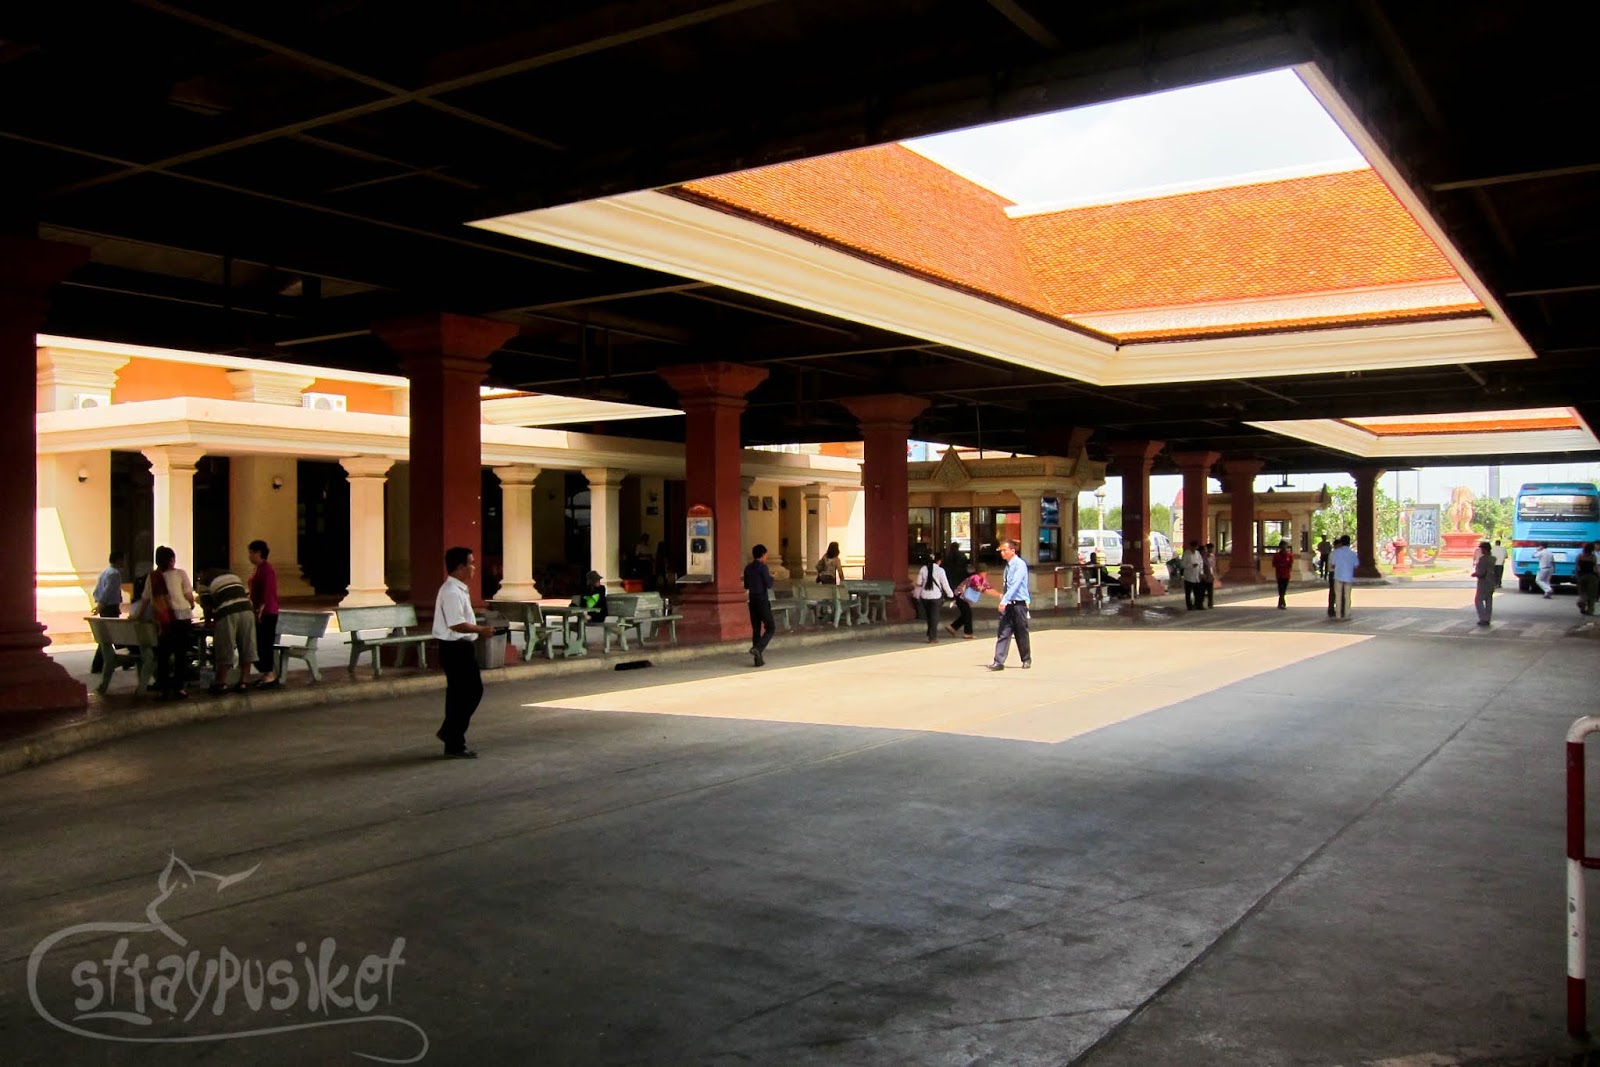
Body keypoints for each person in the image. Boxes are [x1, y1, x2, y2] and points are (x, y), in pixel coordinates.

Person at [433, 546, 494, 758]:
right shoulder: (450, 592)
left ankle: (452, 737)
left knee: (461, 694)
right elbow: (456, 624)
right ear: (460, 567)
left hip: (461, 647)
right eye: (471, 563)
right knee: (469, 693)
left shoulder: (459, 589)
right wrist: (481, 630)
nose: (474, 568)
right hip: (454, 647)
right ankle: (452, 736)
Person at [138, 545, 196, 700]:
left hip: (164, 620)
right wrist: (192, 605)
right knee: (181, 654)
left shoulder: (152, 577)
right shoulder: (180, 574)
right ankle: (179, 687)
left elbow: (145, 599)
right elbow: (188, 595)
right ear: (172, 560)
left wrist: (137, 615)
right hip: (182, 617)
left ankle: (163, 688)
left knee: (164, 654)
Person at [204, 569, 256, 693]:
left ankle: (221, 682)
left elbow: (207, 608)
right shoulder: (235, 578)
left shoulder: (205, 585)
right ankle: (244, 681)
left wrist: (208, 622)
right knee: (246, 645)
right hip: (247, 611)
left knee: (225, 646)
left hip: (227, 613)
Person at [987, 538, 1031, 671]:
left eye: (1004, 550)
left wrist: (1004, 600)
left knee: (1021, 632)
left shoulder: (1019, 565)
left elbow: (1015, 585)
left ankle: (1026, 659)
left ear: (1012, 551)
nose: (1002, 553)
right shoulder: (1007, 566)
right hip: (1008, 605)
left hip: (1018, 604)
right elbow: (1006, 586)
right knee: (1003, 632)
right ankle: (998, 661)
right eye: (1001, 551)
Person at [247, 539, 280, 688]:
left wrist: (260, 610)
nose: (249, 556)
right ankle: (265, 673)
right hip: (259, 611)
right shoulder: (258, 569)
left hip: (267, 612)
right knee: (259, 643)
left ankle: (269, 674)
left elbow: (267, 591)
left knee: (265, 643)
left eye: (251, 553)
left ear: (258, 553)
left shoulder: (266, 569)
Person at [88, 550, 126, 675]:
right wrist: (101, 604)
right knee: (110, 635)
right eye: (122, 559)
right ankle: (99, 664)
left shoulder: (105, 572)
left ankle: (122, 661)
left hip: (106, 606)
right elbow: (108, 591)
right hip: (110, 606)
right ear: (118, 560)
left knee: (110, 634)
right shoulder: (115, 574)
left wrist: (99, 603)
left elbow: (97, 590)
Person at [744, 544, 775, 666]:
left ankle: (758, 659)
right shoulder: (763, 567)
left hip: (752, 600)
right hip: (762, 599)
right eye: (766, 555)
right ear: (762, 555)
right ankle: (758, 648)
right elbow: (768, 584)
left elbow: (746, 585)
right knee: (771, 627)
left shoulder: (748, 568)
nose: (766, 557)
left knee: (756, 628)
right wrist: (772, 577)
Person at [914, 552, 956, 643]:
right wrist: (951, 595)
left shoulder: (923, 569)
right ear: (939, 561)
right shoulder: (940, 571)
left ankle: (930, 634)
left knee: (929, 616)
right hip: (936, 596)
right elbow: (945, 585)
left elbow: (918, 582)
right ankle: (932, 637)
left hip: (924, 596)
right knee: (934, 617)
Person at [948, 562, 994, 639]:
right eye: (985, 572)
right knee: (968, 614)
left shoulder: (982, 579)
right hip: (961, 597)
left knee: (966, 614)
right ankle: (967, 633)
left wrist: (997, 593)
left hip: (964, 598)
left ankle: (952, 627)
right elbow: (978, 586)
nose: (986, 573)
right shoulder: (974, 577)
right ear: (981, 572)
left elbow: (988, 586)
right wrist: (984, 589)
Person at [1330, 534, 1359, 619]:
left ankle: (1338, 614)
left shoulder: (1336, 552)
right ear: (1349, 543)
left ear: (1341, 542)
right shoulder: (1353, 554)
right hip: (1348, 576)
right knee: (1347, 596)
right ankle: (1347, 614)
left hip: (1338, 575)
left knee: (1338, 596)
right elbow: (1356, 565)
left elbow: (1332, 564)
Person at [1472, 539, 1497, 626]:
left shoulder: (1483, 559)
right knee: (1489, 600)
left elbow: (1481, 573)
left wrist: (1475, 574)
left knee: (1478, 600)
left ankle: (1483, 618)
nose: (1481, 550)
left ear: (1485, 549)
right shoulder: (1493, 559)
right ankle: (1488, 618)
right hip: (1491, 581)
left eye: (1482, 549)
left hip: (1483, 582)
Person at [1576, 543, 1599, 616]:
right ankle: (1590, 610)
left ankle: (1581, 604)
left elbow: (1577, 567)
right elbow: (1595, 568)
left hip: (1581, 576)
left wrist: (1577, 576)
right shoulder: (1593, 557)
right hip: (1592, 577)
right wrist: (1598, 575)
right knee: (1591, 594)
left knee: (1582, 592)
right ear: (1592, 549)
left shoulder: (1579, 556)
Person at [1271, 542, 1295, 610]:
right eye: (1282, 547)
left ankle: (1280, 602)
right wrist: (1280, 565)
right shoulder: (1276, 556)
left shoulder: (1289, 556)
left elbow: (1290, 565)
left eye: (1285, 547)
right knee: (1280, 588)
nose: (1284, 548)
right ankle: (1283, 603)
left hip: (1286, 575)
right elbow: (1274, 564)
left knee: (1284, 589)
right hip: (1279, 575)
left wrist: (1286, 566)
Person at [1182, 540, 1204, 610]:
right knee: (1188, 593)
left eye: (1195, 547)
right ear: (1191, 547)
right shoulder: (1186, 553)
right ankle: (1189, 606)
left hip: (1196, 576)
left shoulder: (1197, 553)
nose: (1194, 549)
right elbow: (1183, 564)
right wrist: (1191, 565)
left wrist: (1201, 572)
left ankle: (1198, 605)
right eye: (1193, 547)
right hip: (1189, 576)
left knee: (1198, 592)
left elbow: (1201, 563)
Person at [1202, 542, 1217, 608]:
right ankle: (1201, 603)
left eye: (1212, 548)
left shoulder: (1213, 556)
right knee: (1203, 590)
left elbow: (1213, 566)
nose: (1211, 550)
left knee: (1210, 591)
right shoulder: (1203, 557)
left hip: (1211, 575)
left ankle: (1210, 603)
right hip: (1205, 575)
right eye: (1210, 548)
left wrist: (1215, 574)